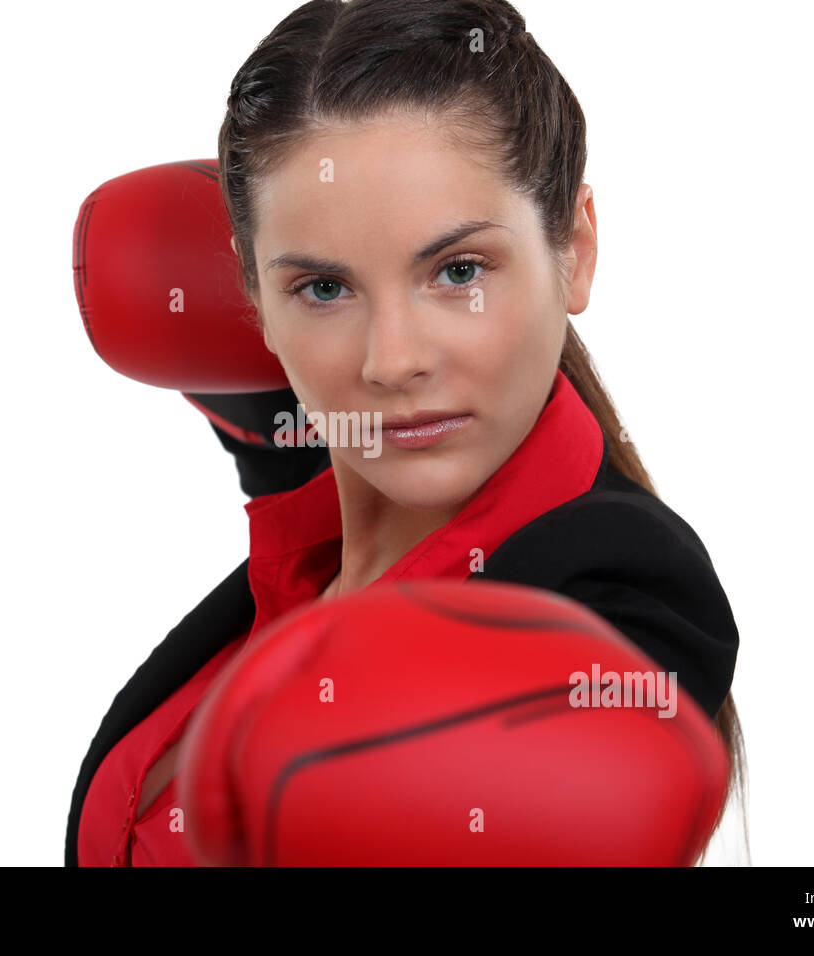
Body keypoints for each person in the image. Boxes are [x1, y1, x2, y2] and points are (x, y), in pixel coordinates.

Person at [66, 0, 746, 866]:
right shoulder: (316, 491)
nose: (392, 362)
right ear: (255, 298)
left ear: (572, 250)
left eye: (458, 271)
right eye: (324, 288)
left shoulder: (625, 591)